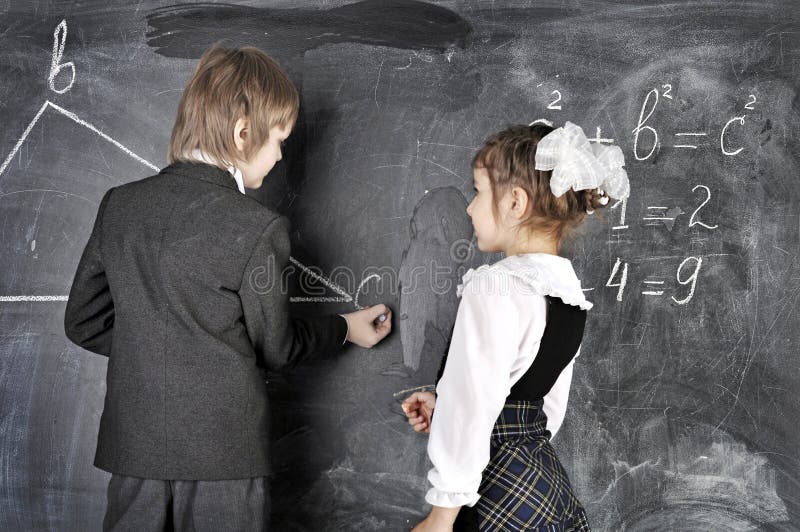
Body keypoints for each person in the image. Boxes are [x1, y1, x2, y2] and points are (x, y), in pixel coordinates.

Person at [63, 44, 392, 531]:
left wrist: (155, 345)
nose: (281, 155)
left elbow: (83, 323)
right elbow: (275, 348)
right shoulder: (256, 228)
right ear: (242, 135)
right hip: (225, 459)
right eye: (280, 139)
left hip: (135, 451)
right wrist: (343, 328)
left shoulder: (120, 207)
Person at [402, 122, 629, 531]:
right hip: (543, 489)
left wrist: (441, 516)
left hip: (495, 494)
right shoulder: (567, 294)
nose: (470, 207)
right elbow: (542, 409)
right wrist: (445, 404)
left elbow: (473, 401)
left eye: (477, 191)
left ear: (515, 203)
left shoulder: (495, 285)